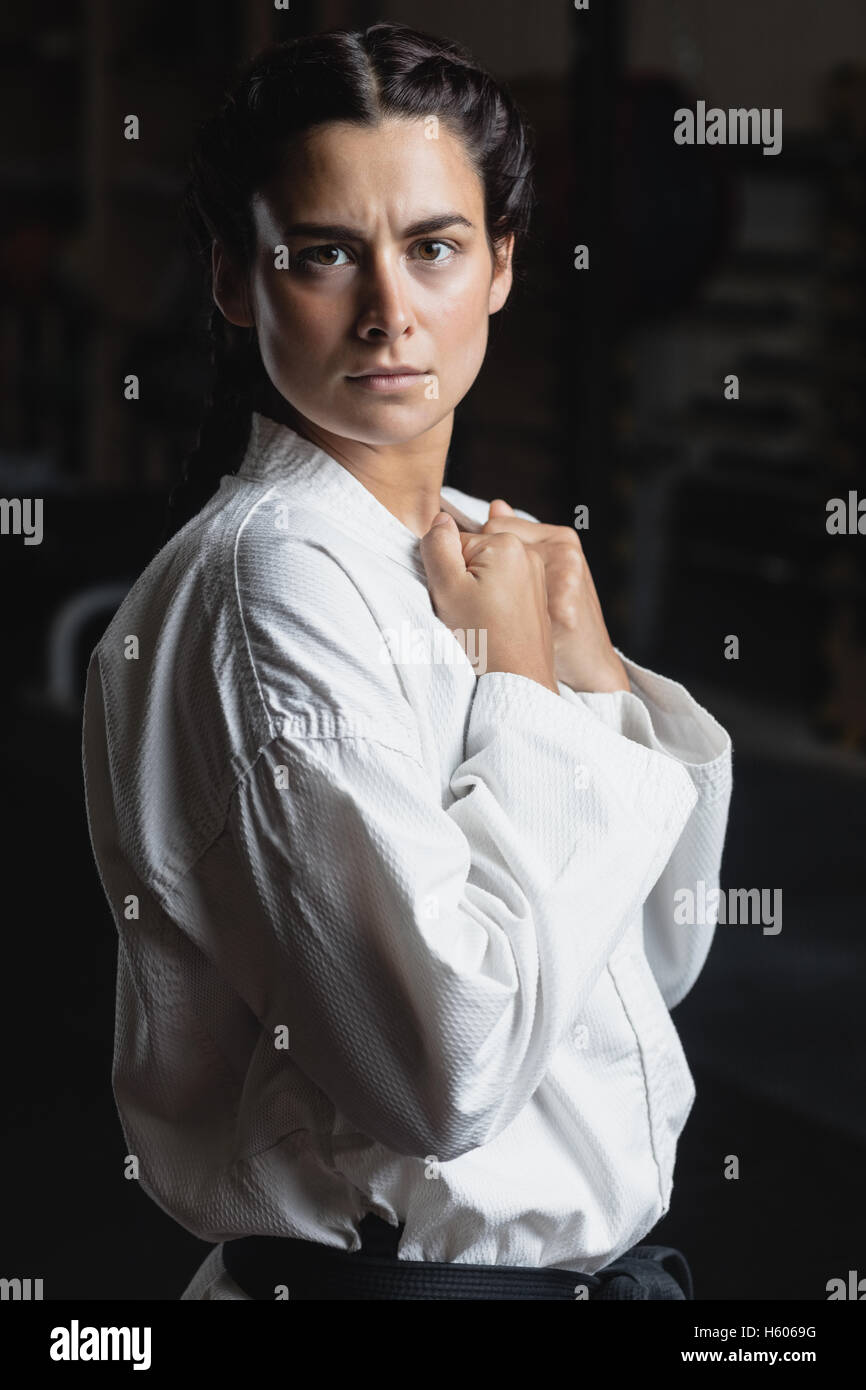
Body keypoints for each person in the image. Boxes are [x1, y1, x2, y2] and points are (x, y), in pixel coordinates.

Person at [81, 22, 733, 1301]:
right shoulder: (276, 586)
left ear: (497, 266)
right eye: (324, 254)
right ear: (231, 280)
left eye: (431, 247)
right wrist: (528, 697)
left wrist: (587, 684)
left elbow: (643, 967)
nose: (387, 313)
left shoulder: (477, 557)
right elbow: (450, 1072)